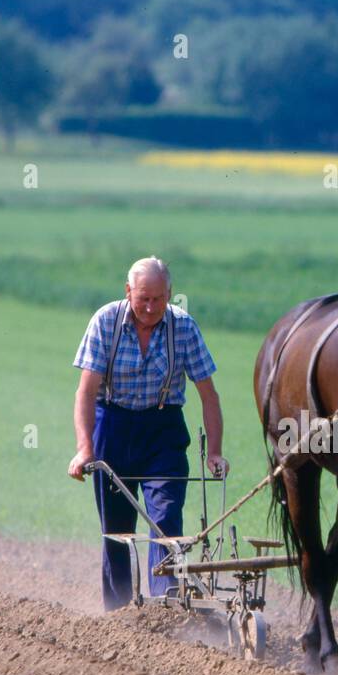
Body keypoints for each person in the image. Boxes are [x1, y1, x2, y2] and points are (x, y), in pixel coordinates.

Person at [67, 256, 227, 610]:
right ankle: (120, 615)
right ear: (128, 292)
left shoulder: (184, 327)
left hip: (163, 431)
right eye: (143, 298)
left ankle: (164, 605)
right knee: (117, 530)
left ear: (170, 294)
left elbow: (208, 395)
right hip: (113, 426)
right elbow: (86, 392)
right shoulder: (105, 321)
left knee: (166, 518)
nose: (151, 307)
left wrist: (214, 451)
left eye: (159, 298)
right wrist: (84, 448)